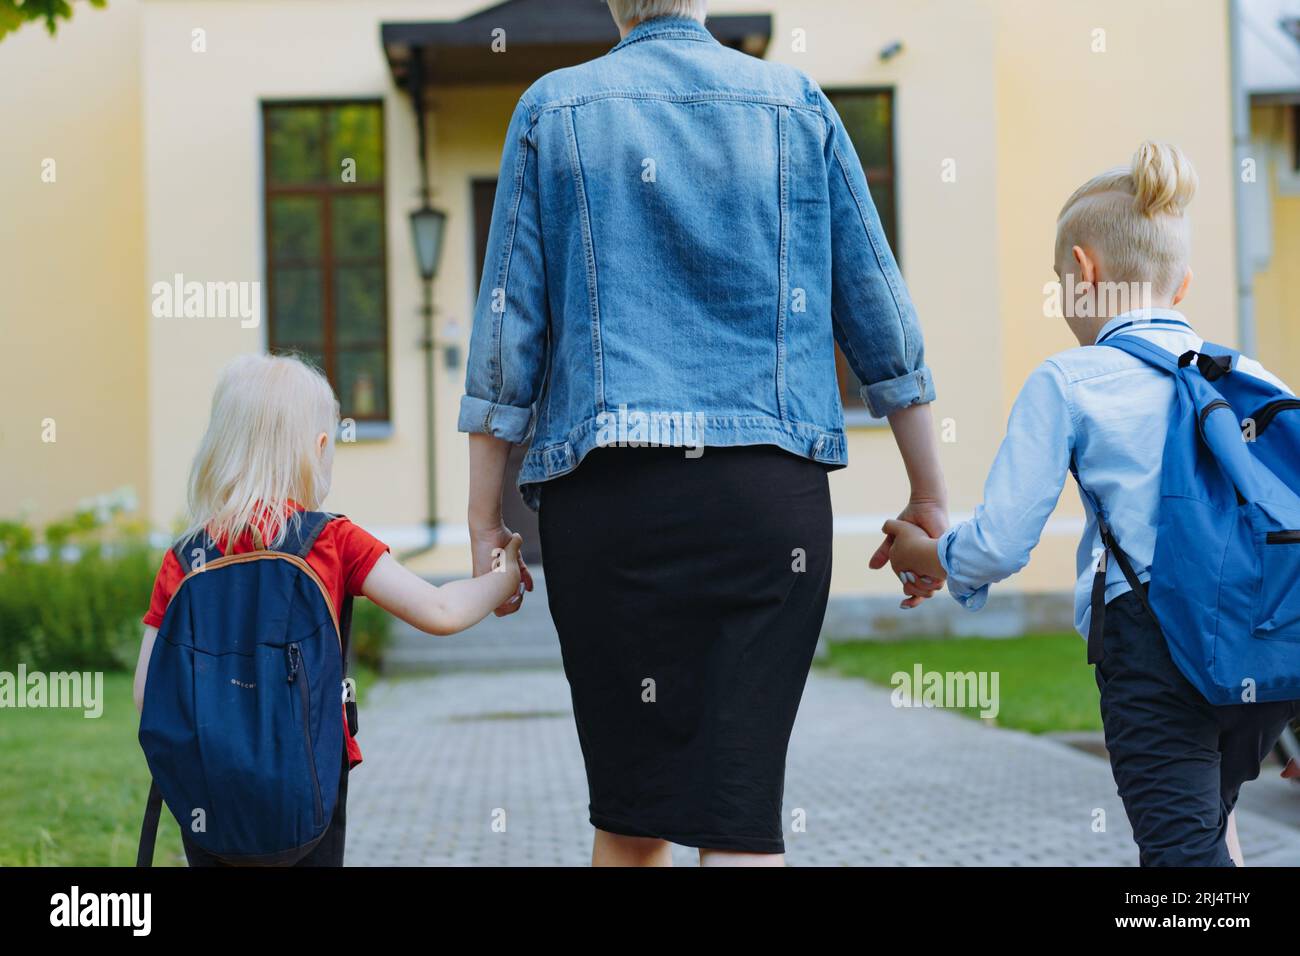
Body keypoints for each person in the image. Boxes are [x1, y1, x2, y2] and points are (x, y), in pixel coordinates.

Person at [459, 0, 946, 866]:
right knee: (740, 816)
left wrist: (482, 523)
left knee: (631, 817)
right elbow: (880, 312)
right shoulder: (797, 105)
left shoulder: (553, 108)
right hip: (767, 506)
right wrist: (930, 498)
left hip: (609, 506)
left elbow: (508, 331)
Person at [884, 142, 1299, 866]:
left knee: (1180, 858)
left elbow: (1003, 542)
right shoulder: (1248, 375)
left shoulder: (1070, 380)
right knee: (1206, 836)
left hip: (1157, 654)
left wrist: (926, 555)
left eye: (1057, 281)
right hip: (1260, 650)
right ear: (1183, 285)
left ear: (1082, 272)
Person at [134, 353, 522, 866]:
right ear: (318, 449)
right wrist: (504, 575)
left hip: (211, 795)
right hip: (306, 789)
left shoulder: (186, 559)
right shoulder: (331, 542)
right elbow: (441, 609)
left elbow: (147, 693)